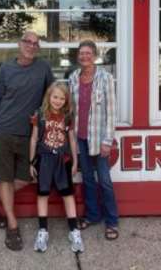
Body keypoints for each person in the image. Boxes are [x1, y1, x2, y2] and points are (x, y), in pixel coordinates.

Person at [0, 30, 55, 251]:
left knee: (24, 178)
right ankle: (12, 226)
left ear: (38, 48)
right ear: (19, 44)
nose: (31, 45)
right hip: (3, 131)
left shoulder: (43, 68)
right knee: (5, 178)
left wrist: (45, 119)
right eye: (27, 41)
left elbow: (53, 95)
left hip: (29, 135)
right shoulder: (6, 68)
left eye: (35, 43)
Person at [69, 40, 120, 240]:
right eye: (81, 53)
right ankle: (92, 215)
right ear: (78, 56)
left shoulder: (105, 78)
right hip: (80, 138)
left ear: (95, 55)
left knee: (105, 181)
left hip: (99, 138)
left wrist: (108, 140)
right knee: (88, 179)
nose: (84, 57)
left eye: (88, 53)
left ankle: (112, 221)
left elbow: (111, 111)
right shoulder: (73, 77)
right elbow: (71, 109)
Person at [29, 83, 84, 253]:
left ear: (66, 100)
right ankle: (43, 231)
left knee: (67, 194)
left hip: (63, 159)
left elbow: (72, 140)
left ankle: (74, 231)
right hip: (44, 159)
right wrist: (31, 162)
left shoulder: (67, 116)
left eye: (62, 98)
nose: (58, 101)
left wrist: (75, 161)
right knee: (42, 194)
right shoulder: (40, 114)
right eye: (55, 97)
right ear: (49, 97)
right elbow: (34, 138)